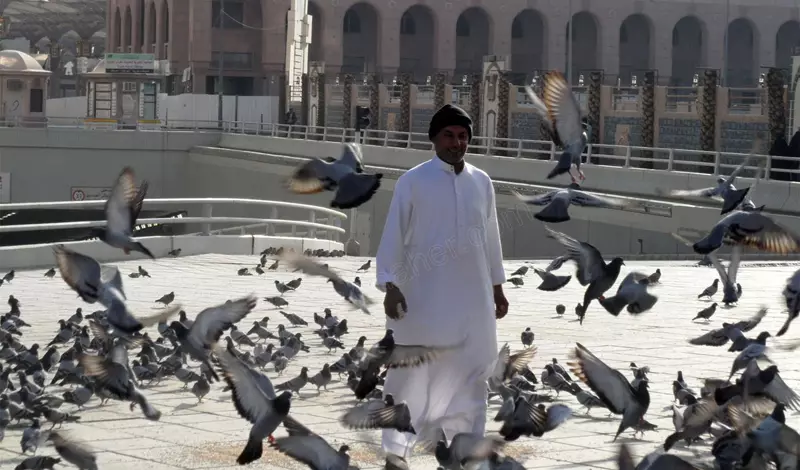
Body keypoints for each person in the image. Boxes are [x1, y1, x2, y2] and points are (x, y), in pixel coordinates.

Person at [375, 104, 508, 466]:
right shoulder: (413, 182)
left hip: (473, 302)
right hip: (423, 301)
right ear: (434, 138)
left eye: (463, 136)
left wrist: (497, 286)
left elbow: (491, 237)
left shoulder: (482, 182)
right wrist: (389, 285)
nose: (457, 142)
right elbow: (393, 236)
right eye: (449, 135)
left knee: (472, 376)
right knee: (410, 381)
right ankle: (396, 455)